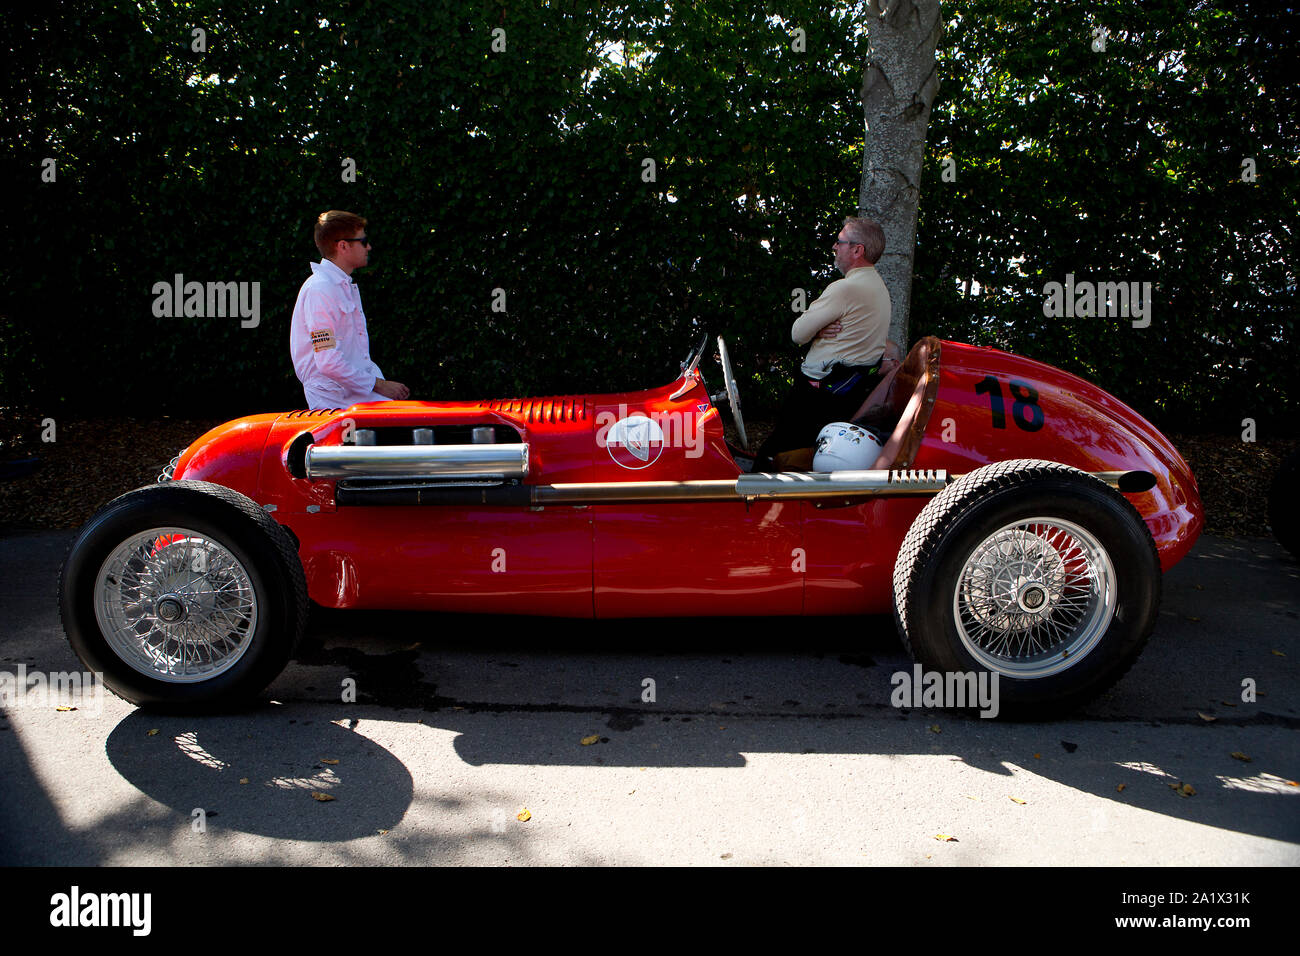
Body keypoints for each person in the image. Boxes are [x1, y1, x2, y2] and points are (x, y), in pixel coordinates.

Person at [751, 216, 892, 470]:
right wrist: (820, 331)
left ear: (857, 250)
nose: (835, 247)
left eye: (840, 242)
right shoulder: (879, 287)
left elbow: (797, 333)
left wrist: (815, 332)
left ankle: (755, 498)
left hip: (818, 396)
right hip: (848, 391)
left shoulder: (845, 289)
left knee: (770, 457)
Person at [290, 210, 410, 410]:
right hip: (335, 400)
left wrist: (377, 385)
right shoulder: (321, 289)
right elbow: (327, 361)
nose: (369, 247)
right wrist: (379, 385)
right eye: (363, 241)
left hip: (351, 395)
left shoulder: (336, 286)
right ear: (343, 246)